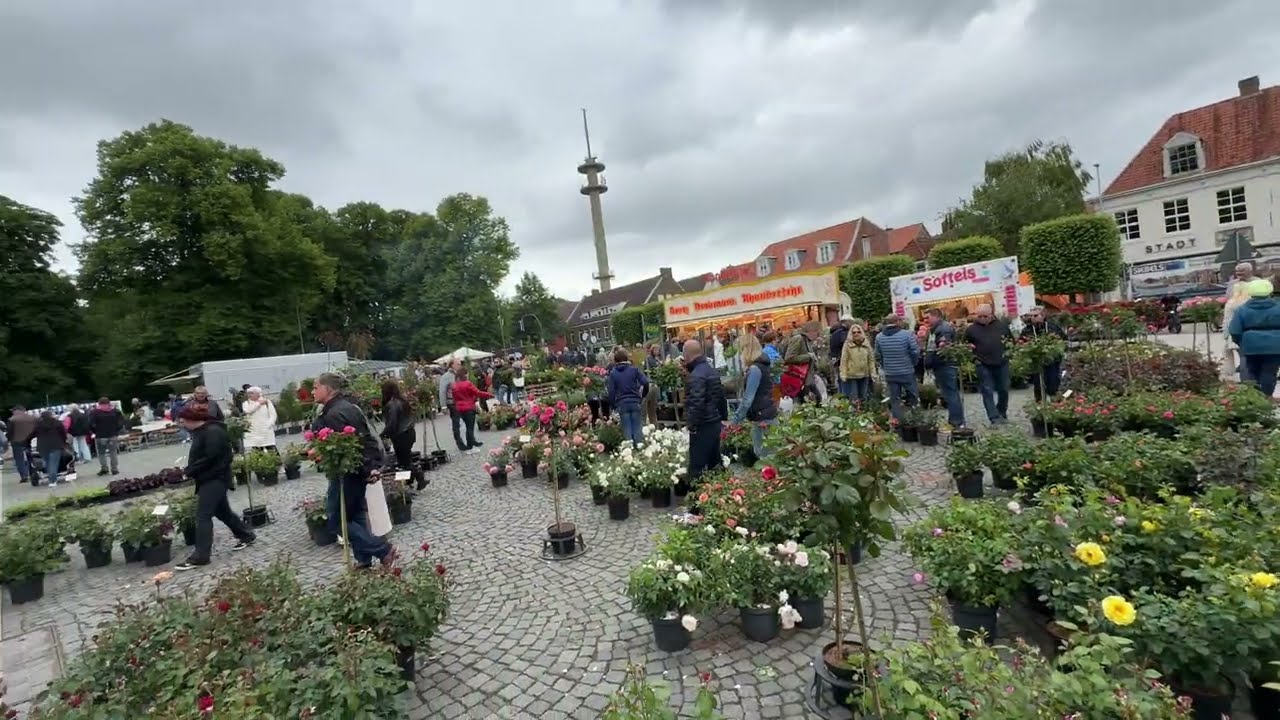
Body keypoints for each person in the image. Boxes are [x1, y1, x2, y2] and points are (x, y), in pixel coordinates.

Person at [311, 373, 397, 569]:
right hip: (358, 469)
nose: (313, 391)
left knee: (336, 520)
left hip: (346, 472)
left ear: (328, 389)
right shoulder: (350, 407)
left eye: (316, 387)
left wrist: (368, 468)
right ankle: (364, 559)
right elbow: (367, 439)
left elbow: (352, 447)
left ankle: (383, 550)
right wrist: (372, 466)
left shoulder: (333, 414)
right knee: (355, 515)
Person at [172, 405, 257, 571]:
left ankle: (201, 556)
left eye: (182, 421)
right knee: (222, 511)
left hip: (215, 479)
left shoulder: (212, 432)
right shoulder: (203, 431)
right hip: (209, 478)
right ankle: (246, 535)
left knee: (203, 516)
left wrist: (189, 470)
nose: (182, 425)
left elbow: (212, 458)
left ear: (191, 420)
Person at [684, 340, 728, 483]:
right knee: (715, 462)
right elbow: (721, 397)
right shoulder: (711, 371)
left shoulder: (696, 375)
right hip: (714, 421)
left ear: (687, 355)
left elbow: (697, 403)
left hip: (703, 424)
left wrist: (692, 425)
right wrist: (722, 417)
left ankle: (697, 499)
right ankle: (718, 494)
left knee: (697, 466)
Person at [1228, 279, 1280, 399]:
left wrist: (1241, 342)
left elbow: (1234, 330)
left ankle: (1255, 397)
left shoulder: (1241, 310)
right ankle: (1267, 396)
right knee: (1269, 372)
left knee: (1252, 372)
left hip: (1250, 345)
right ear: (1270, 292)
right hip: (1275, 346)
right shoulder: (1278, 307)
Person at [964, 304, 1015, 424]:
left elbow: (1011, 341)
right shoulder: (971, 329)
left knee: (1003, 389)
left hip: (1001, 362)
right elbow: (965, 344)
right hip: (982, 363)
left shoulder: (1002, 326)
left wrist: (1009, 353)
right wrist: (971, 353)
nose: (982, 318)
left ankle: (1001, 411)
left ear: (991, 315)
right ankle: (993, 417)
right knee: (987, 390)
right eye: (979, 316)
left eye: (985, 316)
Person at [730, 334, 776, 459]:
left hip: (761, 415)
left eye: (740, 350)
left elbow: (747, 399)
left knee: (763, 454)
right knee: (769, 453)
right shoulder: (763, 365)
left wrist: (735, 420)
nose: (739, 355)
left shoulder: (755, 369)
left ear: (746, 349)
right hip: (767, 412)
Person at [922, 307, 966, 428]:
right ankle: (955, 420)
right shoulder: (935, 329)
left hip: (945, 365)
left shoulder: (943, 329)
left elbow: (943, 350)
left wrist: (932, 361)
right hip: (940, 366)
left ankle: (957, 421)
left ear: (936, 316)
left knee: (951, 393)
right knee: (948, 393)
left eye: (927, 317)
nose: (925, 320)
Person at [874, 315, 921, 422]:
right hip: (907, 371)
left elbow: (877, 355)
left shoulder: (879, 337)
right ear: (897, 321)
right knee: (913, 396)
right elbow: (915, 351)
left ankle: (898, 422)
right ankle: (916, 419)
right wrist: (913, 363)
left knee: (895, 399)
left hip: (890, 373)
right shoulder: (907, 334)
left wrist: (885, 365)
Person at [1020, 306, 1069, 400]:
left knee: (1053, 385)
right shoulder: (1027, 330)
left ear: (1043, 315)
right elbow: (1021, 344)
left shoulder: (1052, 327)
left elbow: (1064, 340)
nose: (1033, 318)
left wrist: (1059, 349)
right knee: (1038, 387)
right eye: (1031, 316)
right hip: (1036, 363)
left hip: (1053, 362)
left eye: (1035, 315)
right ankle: (1040, 407)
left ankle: (1055, 405)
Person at [607, 348, 650, 445]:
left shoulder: (613, 373)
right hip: (635, 401)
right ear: (626, 358)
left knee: (627, 429)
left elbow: (611, 392)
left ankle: (630, 451)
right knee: (637, 428)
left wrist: (613, 405)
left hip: (621, 403)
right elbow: (645, 382)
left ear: (616, 360)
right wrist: (642, 396)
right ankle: (639, 450)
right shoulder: (634, 370)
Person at [1224, 262, 1256, 381]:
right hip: (1234, 320)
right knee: (1240, 350)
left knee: (1247, 354)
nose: (1239, 274)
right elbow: (1228, 300)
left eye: (1242, 271)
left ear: (1250, 271)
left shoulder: (1257, 282)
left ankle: (1248, 375)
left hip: (1252, 321)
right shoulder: (1232, 284)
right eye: (1237, 272)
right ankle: (1247, 375)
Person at [451, 372, 492, 454]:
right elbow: (477, 392)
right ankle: (470, 446)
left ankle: (470, 444)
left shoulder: (454, 385)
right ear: (465, 375)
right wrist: (489, 395)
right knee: (470, 428)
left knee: (466, 427)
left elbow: (454, 398)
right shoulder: (467, 384)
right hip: (469, 407)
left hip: (459, 408)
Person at [380, 380, 416, 469]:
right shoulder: (402, 400)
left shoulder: (392, 404)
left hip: (401, 435)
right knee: (406, 459)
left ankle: (419, 478)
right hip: (410, 432)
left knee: (404, 461)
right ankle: (411, 479)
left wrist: (383, 435)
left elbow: (392, 423)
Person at [782, 321, 820, 404]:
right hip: (799, 378)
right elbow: (788, 358)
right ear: (811, 331)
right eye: (817, 332)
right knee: (812, 401)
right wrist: (808, 356)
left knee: (816, 400)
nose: (818, 335)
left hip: (806, 378)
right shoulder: (798, 338)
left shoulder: (806, 340)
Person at [839, 322, 876, 403]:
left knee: (864, 397)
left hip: (864, 374)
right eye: (854, 332)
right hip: (851, 375)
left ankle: (864, 412)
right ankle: (855, 413)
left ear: (861, 332)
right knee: (853, 398)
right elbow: (844, 360)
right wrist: (843, 374)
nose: (856, 334)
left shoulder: (866, 344)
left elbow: (871, 360)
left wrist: (873, 373)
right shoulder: (847, 345)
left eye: (858, 332)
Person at [88, 397, 126, 477]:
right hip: (113, 435)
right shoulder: (115, 411)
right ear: (109, 403)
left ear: (99, 404)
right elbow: (121, 422)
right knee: (113, 452)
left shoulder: (94, 412)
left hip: (100, 436)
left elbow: (90, 424)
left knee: (101, 453)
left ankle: (104, 468)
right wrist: (116, 430)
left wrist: (95, 431)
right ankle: (114, 469)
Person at [33, 410, 68, 487]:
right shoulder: (57, 423)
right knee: (53, 463)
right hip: (55, 445)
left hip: (43, 446)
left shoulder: (38, 425)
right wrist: (64, 441)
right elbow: (63, 433)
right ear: (51, 415)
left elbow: (33, 434)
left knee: (47, 463)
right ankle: (53, 481)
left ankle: (50, 478)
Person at [438, 360, 466, 453]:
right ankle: (460, 443)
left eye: (460, 364)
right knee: (456, 423)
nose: (460, 366)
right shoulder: (446, 376)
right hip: (453, 403)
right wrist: (443, 406)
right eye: (458, 364)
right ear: (452, 365)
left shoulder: (460, 375)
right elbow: (442, 391)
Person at [240, 387, 278, 453]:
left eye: (251, 393)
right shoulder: (246, 403)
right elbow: (248, 410)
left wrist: (269, 424)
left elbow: (273, 414)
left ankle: (277, 462)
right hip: (254, 432)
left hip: (266, 430)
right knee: (257, 451)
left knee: (271, 449)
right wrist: (259, 404)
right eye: (248, 393)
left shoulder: (266, 402)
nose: (249, 395)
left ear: (258, 394)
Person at [6, 406, 37, 484]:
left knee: (19, 459)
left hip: (16, 441)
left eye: (12, 410)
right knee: (32, 457)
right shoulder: (32, 418)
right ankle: (33, 473)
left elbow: (9, 432)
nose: (12, 412)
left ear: (16, 410)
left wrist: (9, 440)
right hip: (29, 440)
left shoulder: (11, 419)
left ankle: (24, 476)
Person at [830, 316, 852, 395]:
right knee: (844, 380)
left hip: (838, 360)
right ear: (846, 322)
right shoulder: (841, 333)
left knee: (841, 380)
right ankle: (845, 397)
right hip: (842, 360)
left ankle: (842, 396)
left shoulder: (835, 333)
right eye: (850, 321)